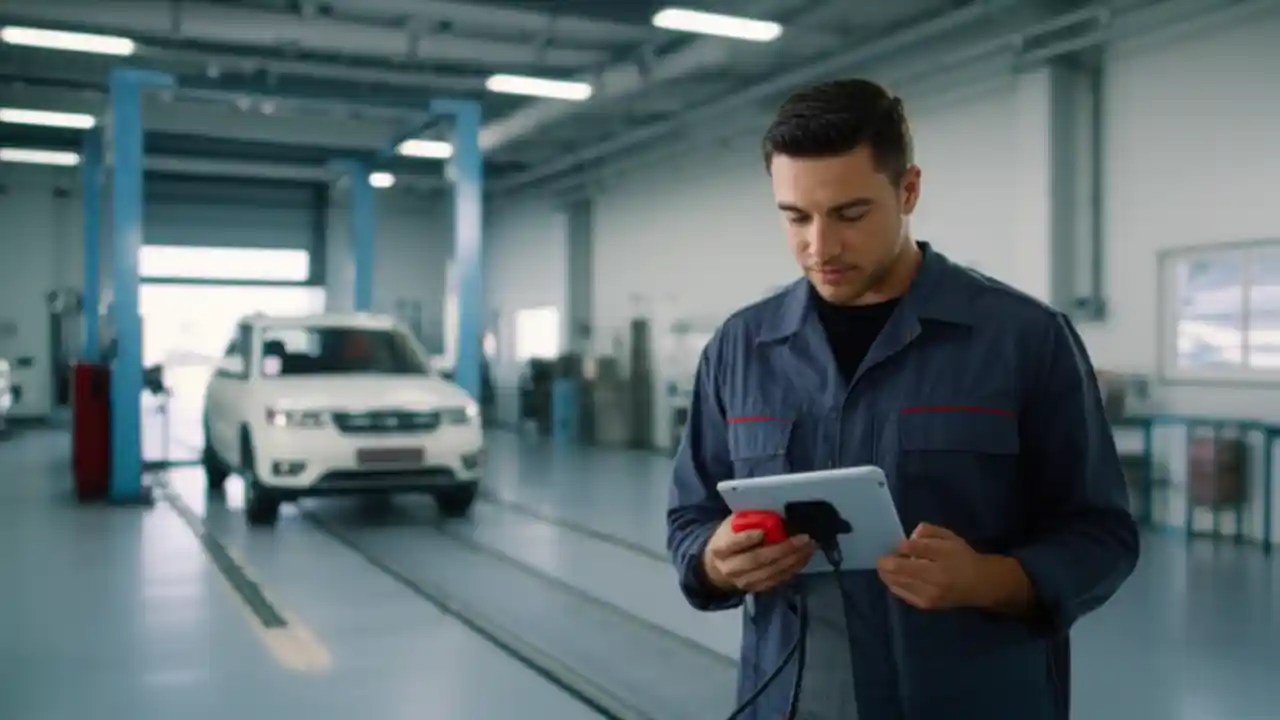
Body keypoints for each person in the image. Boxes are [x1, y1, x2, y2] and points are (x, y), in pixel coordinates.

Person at [666, 78, 1139, 720]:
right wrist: (717, 562)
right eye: (796, 217)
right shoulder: (741, 348)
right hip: (793, 701)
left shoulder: (1022, 339)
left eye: (850, 214)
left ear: (908, 189)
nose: (820, 246)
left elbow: (1101, 534)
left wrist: (989, 580)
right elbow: (689, 519)